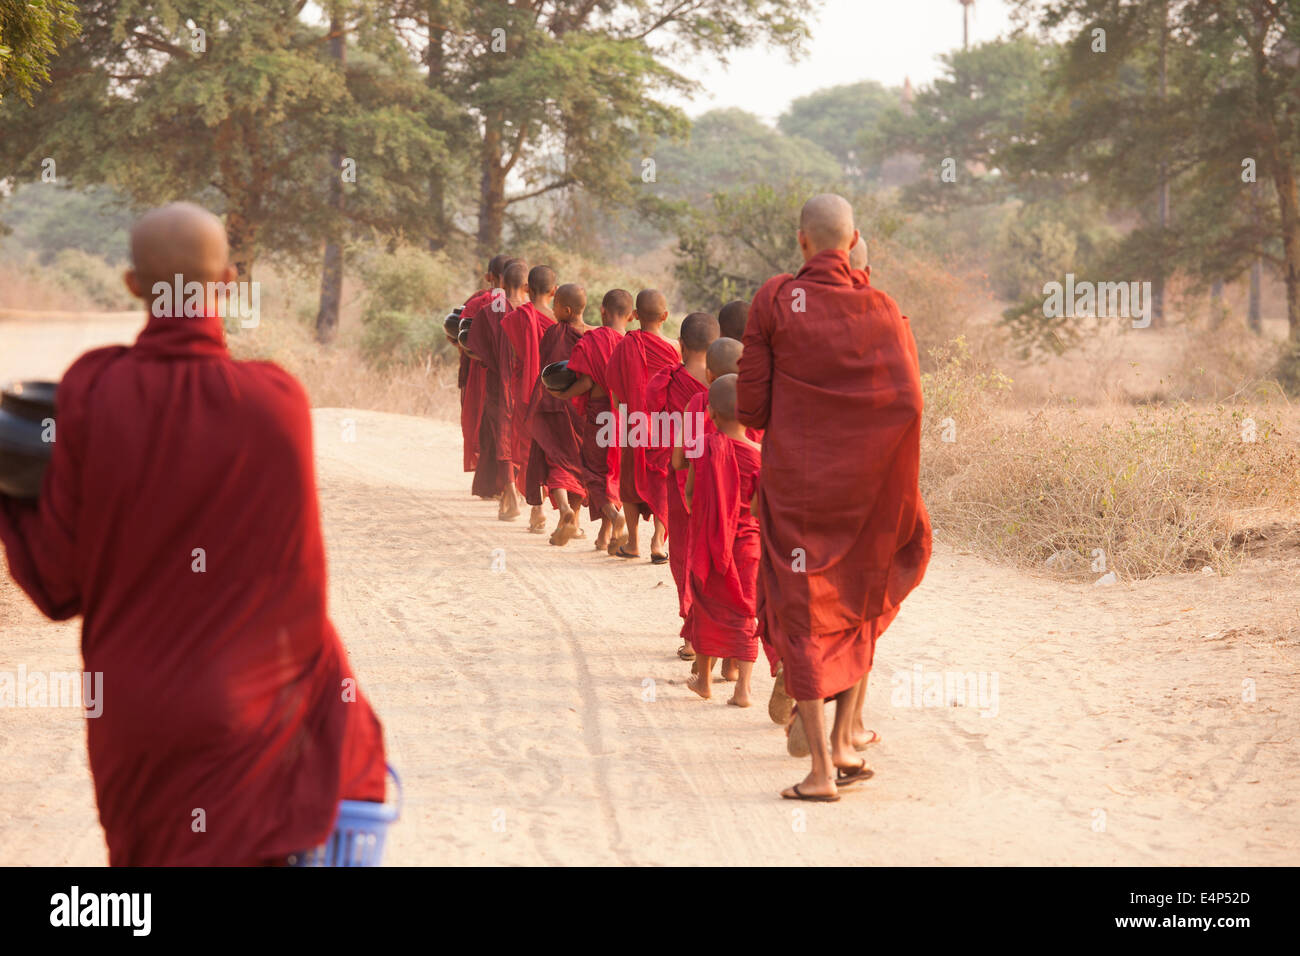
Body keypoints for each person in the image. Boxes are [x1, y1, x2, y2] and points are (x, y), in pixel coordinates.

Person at [0, 202, 387, 864]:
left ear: (131, 285)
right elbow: (299, 587)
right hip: (256, 715)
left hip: (137, 716)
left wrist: (11, 496)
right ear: (229, 281)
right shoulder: (277, 402)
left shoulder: (94, 390)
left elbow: (57, 586)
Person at [737, 193, 932, 803]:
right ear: (853, 243)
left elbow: (750, 408)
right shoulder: (883, 308)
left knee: (802, 616)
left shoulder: (774, 301)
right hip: (865, 491)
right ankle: (845, 744)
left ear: (802, 241)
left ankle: (823, 771)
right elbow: (909, 403)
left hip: (799, 488)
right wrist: (886, 476)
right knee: (858, 596)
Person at [683, 375, 762, 708]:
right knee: (745, 611)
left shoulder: (704, 447)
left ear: (710, 412)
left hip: (709, 544)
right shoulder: (760, 454)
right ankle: (742, 688)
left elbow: (689, 493)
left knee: (705, 607)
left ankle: (703, 681)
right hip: (747, 546)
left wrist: (708, 519)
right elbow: (760, 507)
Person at [644, 312, 717, 660]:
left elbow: (655, 424)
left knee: (685, 553)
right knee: (718, 554)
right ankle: (725, 643)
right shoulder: (730, 386)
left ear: (682, 345)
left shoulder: (669, 380)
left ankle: (691, 636)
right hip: (721, 480)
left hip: (683, 478)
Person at [604, 289, 680, 562]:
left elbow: (614, 389)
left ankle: (634, 543)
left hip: (635, 423)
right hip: (665, 425)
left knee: (629, 483)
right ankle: (658, 542)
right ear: (665, 316)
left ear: (635, 316)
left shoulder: (627, 344)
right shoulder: (674, 348)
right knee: (662, 480)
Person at [556, 290, 631, 553]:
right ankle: (605, 538)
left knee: (592, 472)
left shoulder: (594, 339)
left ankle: (613, 515)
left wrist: (564, 394)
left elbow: (586, 381)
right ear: (631, 316)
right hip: (626, 419)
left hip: (599, 415)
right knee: (616, 473)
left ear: (602, 311)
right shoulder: (633, 344)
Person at [466, 258, 529, 520]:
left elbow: (474, 350)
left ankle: (510, 492)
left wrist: (497, 361)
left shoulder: (490, 309)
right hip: (526, 385)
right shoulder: (533, 312)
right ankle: (527, 497)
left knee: (502, 433)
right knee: (523, 436)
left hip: (497, 384)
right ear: (527, 285)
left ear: (502, 283)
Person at [529, 283, 589, 545]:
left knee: (555, 461)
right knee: (577, 464)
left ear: (565, 310)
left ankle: (564, 510)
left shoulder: (553, 333)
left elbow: (545, 370)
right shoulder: (591, 336)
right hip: (580, 411)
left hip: (553, 405)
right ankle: (573, 521)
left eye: (555, 307)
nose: (552, 311)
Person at [501, 265, 557, 532]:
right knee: (551, 448)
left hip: (525, 391)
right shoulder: (561, 319)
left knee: (527, 449)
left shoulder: (518, 317)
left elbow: (517, 357)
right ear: (554, 291)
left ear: (527, 289)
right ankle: (555, 508)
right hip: (555, 393)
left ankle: (538, 508)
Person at [458, 255, 507, 486]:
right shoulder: (526, 306)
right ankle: (507, 482)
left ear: (490, 277)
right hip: (513, 376)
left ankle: (491, 478)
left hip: (481, 370)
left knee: (482, 421)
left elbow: (461, 338)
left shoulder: (480, 302)